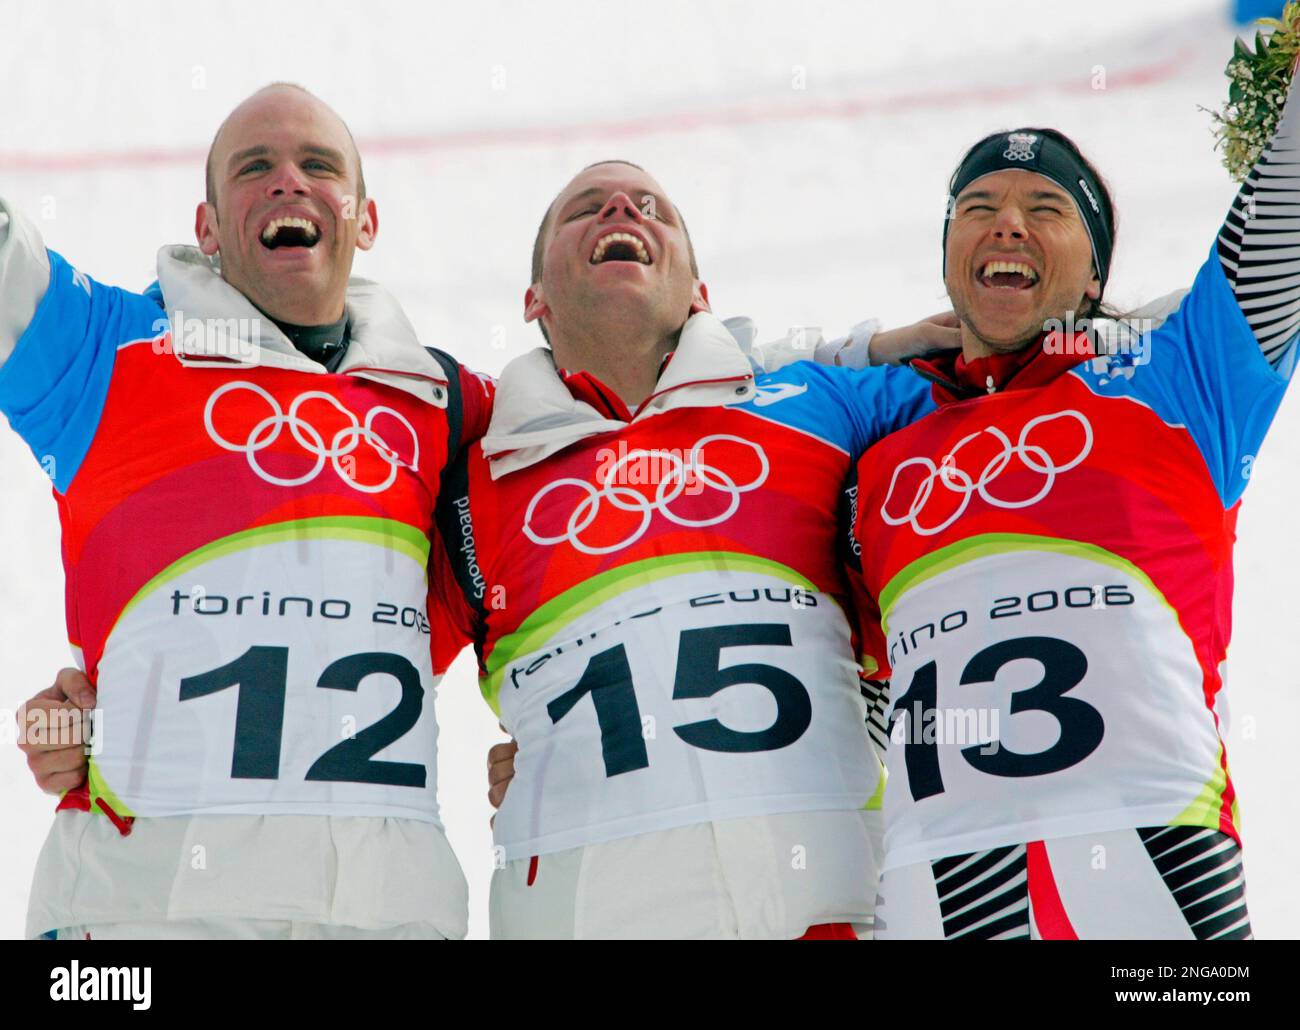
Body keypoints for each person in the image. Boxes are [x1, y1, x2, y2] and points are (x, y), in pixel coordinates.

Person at [3, 82, 492, 940]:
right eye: (254, 167)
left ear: (364, 219)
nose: (287, 182)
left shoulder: (450, 409)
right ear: (207, 228)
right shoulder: (104, 355)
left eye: (319, 165)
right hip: (131, 922)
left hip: (384, 918)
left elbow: (626, 465)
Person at [432, 159, 948, 939]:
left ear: (702, 296)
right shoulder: (472, 476)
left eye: (652, 207)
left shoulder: (820, 404)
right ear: (533, 297)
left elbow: (1013, 393)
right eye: (585, 209)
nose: (619, 207)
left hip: (827, 913)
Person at [848, 75, 1300, 938]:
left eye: (1046, 206)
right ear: (950, 257)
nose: (1006, 221)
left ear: (1095, 270)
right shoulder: (877, 448)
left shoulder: (1182, 377)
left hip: (1150, 852)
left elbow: (1287, 203)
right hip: (935, 884)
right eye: (976, 205)